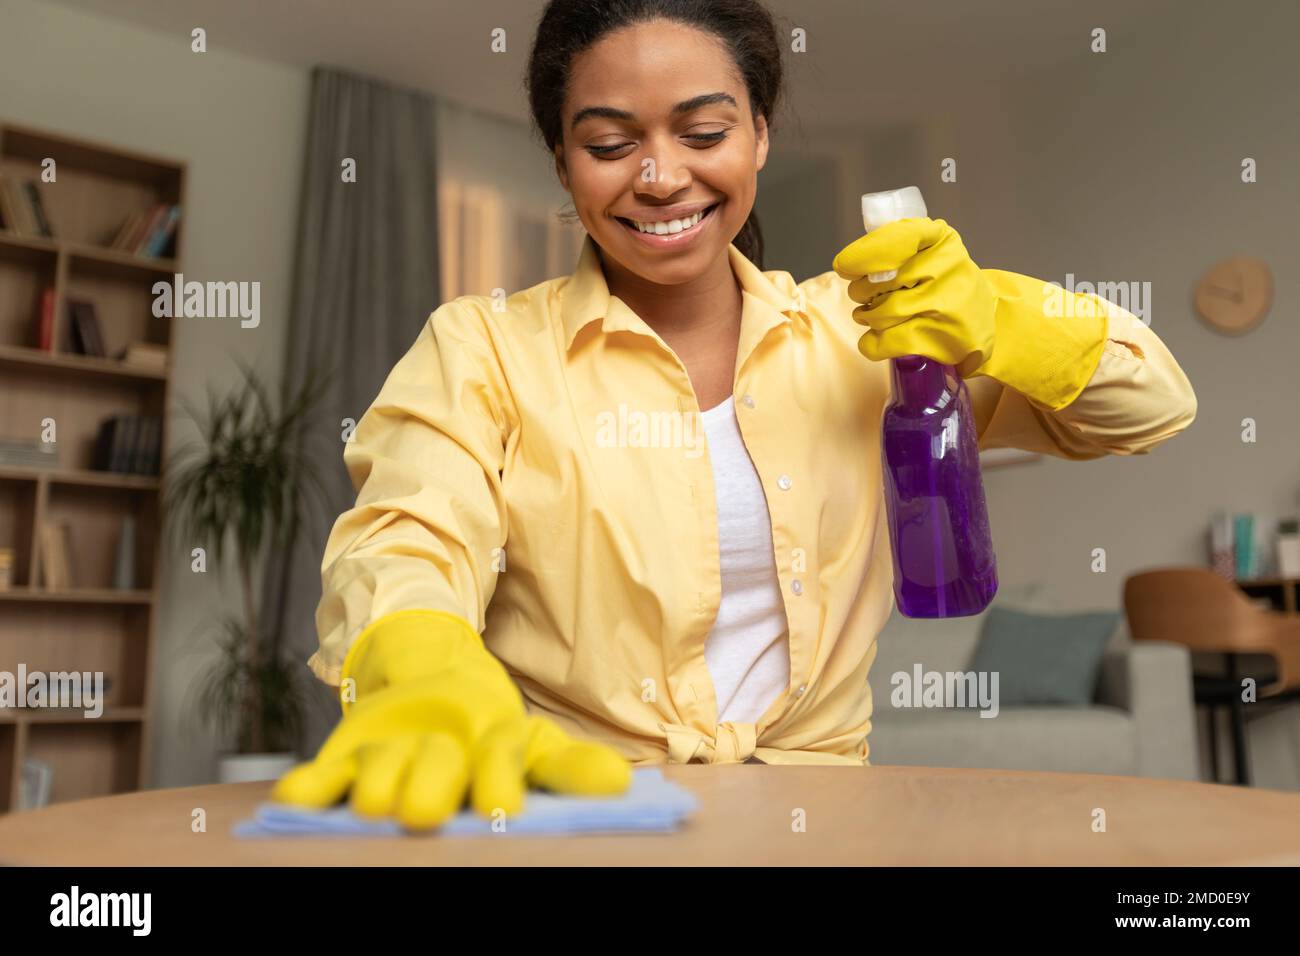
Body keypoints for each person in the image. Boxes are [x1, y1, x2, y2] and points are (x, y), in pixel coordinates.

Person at [273, 0, 1197, 829]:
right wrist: (421, 657)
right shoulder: (483, 350)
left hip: (827, 822)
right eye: (608, 145)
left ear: (759, 135)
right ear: (563, 163)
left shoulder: (869, 336)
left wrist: (1004, 321)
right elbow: (405, 542)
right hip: (579, 821)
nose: (661, 176)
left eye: (703, 130)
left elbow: (1150, 404)